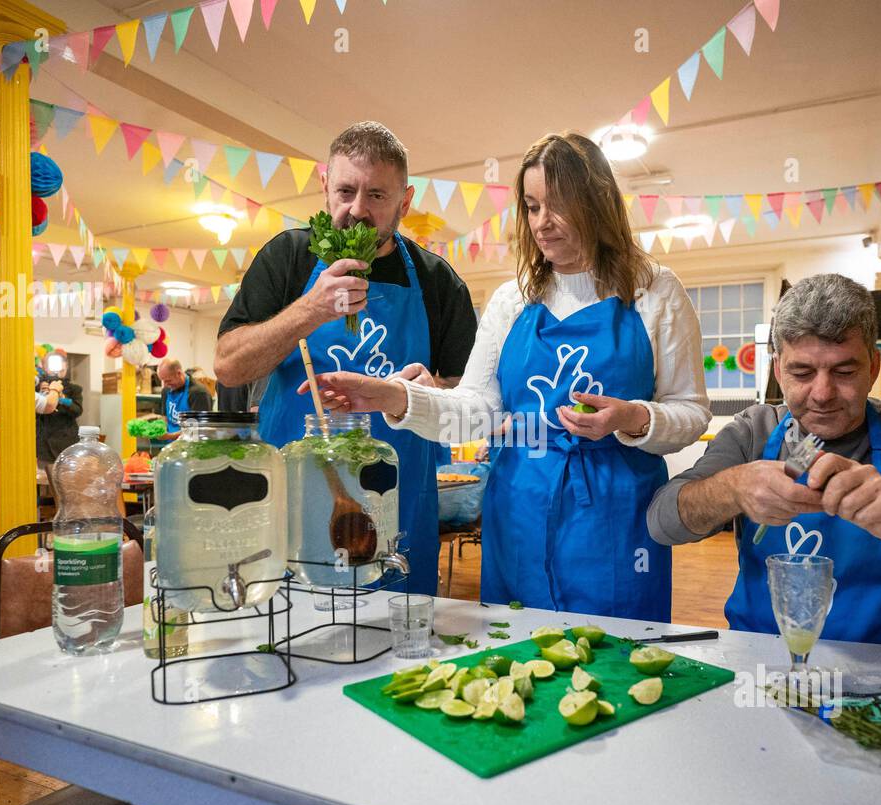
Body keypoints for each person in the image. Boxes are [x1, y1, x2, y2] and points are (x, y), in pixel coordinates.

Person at [301, 132, 711, 622]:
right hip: (518, 508)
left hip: (614, 515)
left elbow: (691, 410)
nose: (542, 223)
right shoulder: (512, 300)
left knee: (615, 659)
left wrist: (635, 418)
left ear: (598, 202)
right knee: (519, 657)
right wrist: (395, 396)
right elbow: (475, 411)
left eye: (558, 206)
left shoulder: (656, 292)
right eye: (533, 206)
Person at [646, 273, 881, 670]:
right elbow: (663, 523)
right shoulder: (752, 433)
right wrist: (732, 489)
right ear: (778, 370)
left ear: (874, 366)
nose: (823, 393)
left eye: (844, 372)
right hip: (760, 666)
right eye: (802, 373)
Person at [214, 121, 478, 595]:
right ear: (323, 185)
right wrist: (310, 309)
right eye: (345, 190)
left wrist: (435, 392)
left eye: (377, 195)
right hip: (296, 501)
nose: (357, 209)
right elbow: (230, 365)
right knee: (289, 642)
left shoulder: (438, 281)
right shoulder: (288, 258)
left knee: (400, 657)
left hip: (396, 505)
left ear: (406, 199)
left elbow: (471, 403)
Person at [0, 342, 60, 590]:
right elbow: (47, 405)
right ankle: (5, 576)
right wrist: (55, 389)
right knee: (1, 513)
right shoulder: (0, 379)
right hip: (0, 444)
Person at [35, 352, 83, 466]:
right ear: (44, 366)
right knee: (44, 479)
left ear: (65, 365)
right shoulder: (38, 386)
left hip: (66, 442)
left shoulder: (74, 389)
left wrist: (61, 397)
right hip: (44, 445)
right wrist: (41, 395)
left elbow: (77, 411)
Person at [158, 358, 212, 439]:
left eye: (168, 381)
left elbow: (198, 428)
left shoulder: (199, 393)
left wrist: (169, 436)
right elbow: (164, 416)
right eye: (163, 381)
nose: (165, 385)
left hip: (191, 446)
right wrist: (159, 429)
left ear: (179, 373)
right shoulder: (166, 391)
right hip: (170, 445)